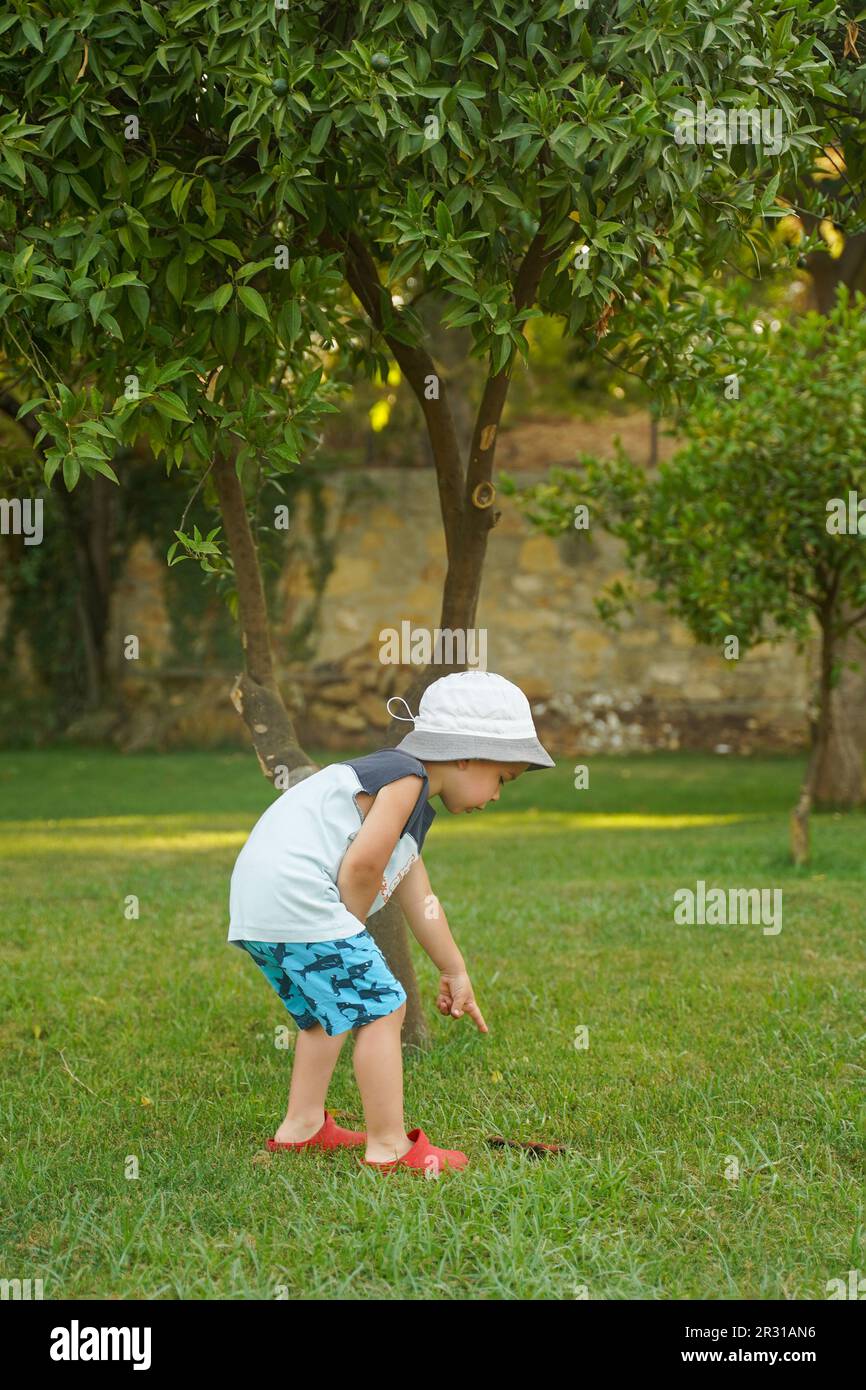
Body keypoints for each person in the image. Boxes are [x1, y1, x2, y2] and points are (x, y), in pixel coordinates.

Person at [226, 669, 555, 1174]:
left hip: (260, 902)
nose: (495, 796)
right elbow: (361, 867)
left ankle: (302, 1127)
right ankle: (389, 1148)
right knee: (382, 1007)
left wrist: (455, 968)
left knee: (326, 1011)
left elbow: (420, 898)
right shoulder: (406, 777)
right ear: (465, 754)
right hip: (298, 894)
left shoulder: (405, 801)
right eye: (501, 779)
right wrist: (349, 931)